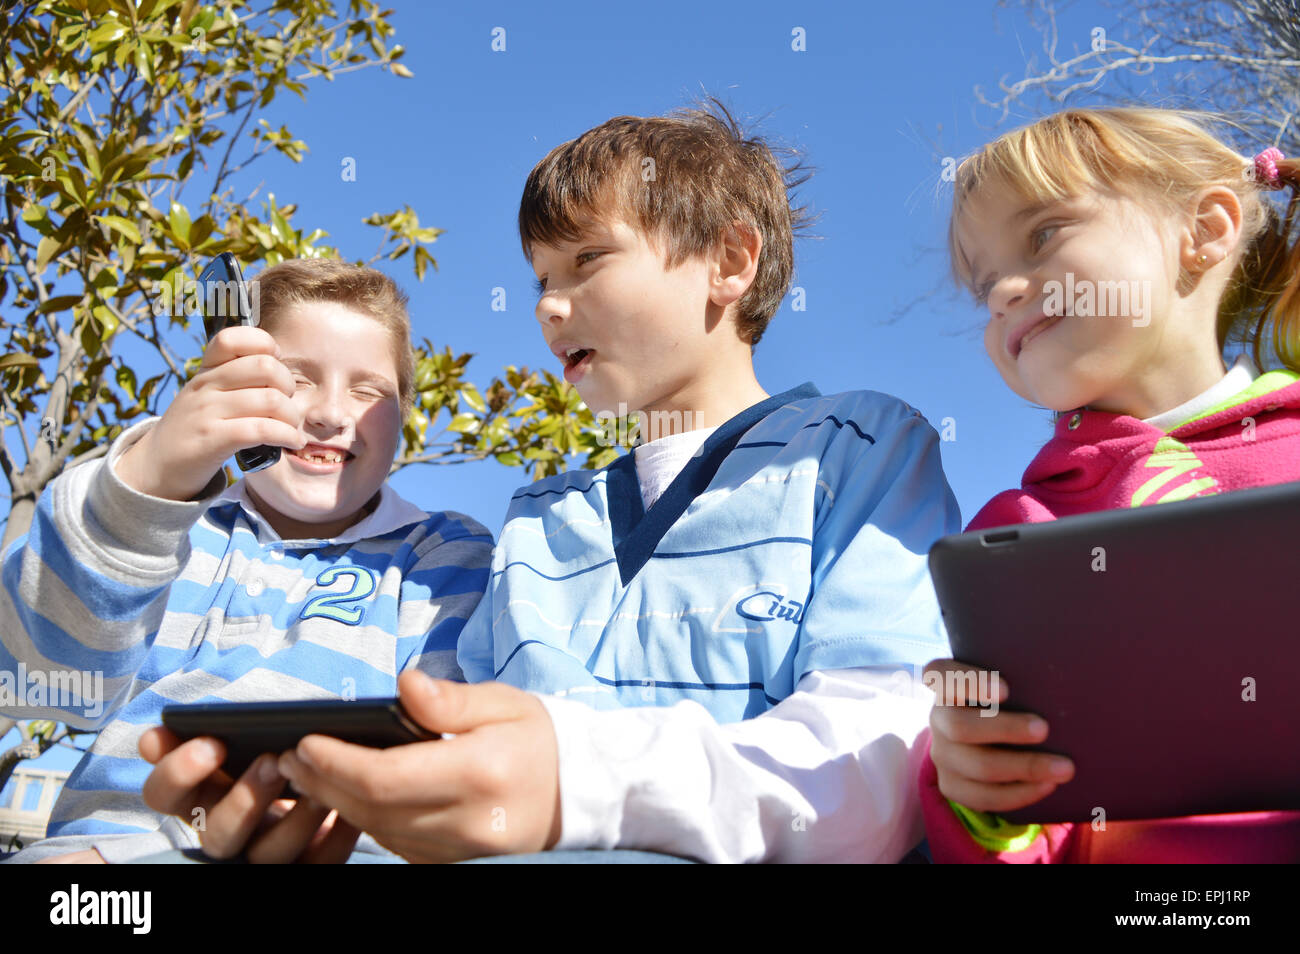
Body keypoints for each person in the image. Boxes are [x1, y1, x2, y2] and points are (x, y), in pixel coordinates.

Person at [144, 101, 962, 864]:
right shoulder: (539, 522)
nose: (547, 306)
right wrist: (331, 799)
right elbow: (464, 756)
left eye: (587, 261)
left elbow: (880, 749)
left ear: (730, 259)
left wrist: (582, 784)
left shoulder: (857, 453)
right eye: (539, 278)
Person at [0, 258, 492, 863]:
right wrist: (149, 484)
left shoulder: (446, 560)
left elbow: (446, 764)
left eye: (367, 390)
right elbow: (47, 687)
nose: (332, 414)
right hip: (109, 856)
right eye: (297, 378)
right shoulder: (166, 529)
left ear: (404, 416)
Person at [922, 108, 1300, 863]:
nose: (1002, 294)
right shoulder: (1020, 538)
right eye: (986, 285)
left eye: (1042, 235)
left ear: (1206, 229)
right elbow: (1039, 832)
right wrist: (984, 794)